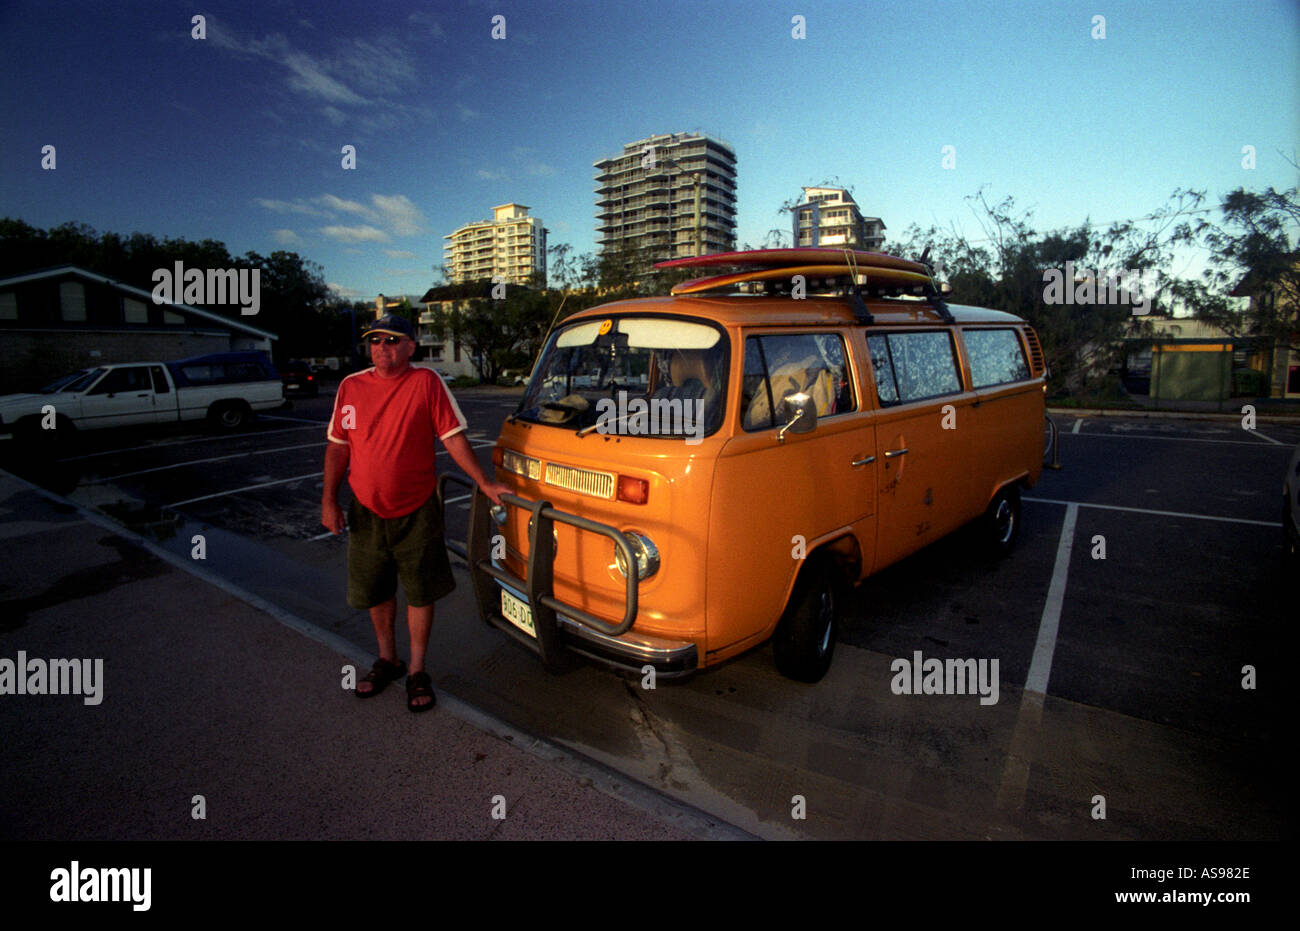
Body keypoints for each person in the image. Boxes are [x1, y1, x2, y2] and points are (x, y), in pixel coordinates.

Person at [320, 314, 510, 712]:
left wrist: (484, 482)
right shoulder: (351, 387)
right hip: (366, 511)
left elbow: (453, 438)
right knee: (376, 589)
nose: (381, 348)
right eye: (375, 341)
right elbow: (339, 446)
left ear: (410, 346)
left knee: (420, 591)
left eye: (392, 340)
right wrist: (328, 500)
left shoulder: (426, 383)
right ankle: (388, 659)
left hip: (418, 509)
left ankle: (418, 670)